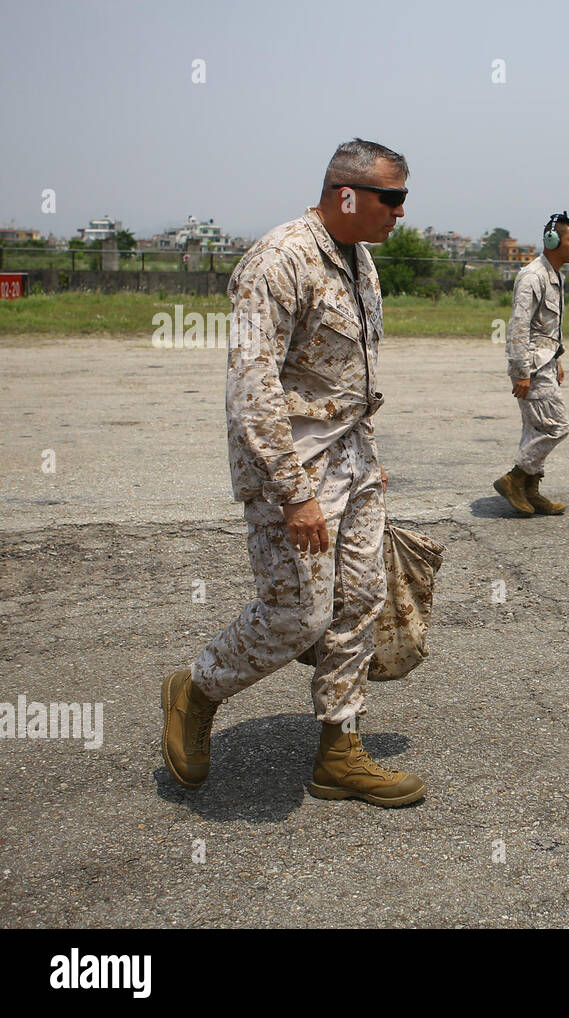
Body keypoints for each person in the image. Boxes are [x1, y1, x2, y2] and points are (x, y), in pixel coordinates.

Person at [161, 138, 426, 808]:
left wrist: (369, 456)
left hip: (353, 463)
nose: (400, 212)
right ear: (347, 193)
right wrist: (293, 492)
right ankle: (196, 686)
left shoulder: (360, 262)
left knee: (358, 601)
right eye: (391, 198)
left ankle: (340, 751)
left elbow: (348, 376)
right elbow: (253, 389)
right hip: (293, 476)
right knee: (296, 616)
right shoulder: (279, 259)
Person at [493, 211, 569, 515]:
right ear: (552, 239)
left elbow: (548, 329)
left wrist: (557, 360)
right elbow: (519, 326)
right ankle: (514, 478)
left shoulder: (555, 276)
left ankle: (531, 489)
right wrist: (521, 371)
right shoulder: (533, 276)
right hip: (531, 367)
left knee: (536, 428)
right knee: (557, 426)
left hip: (546, 364)